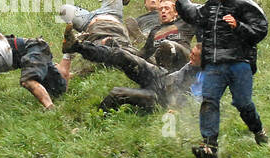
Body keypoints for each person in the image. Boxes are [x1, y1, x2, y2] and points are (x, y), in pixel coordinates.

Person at [175, 0, 269, 158]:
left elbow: (260, 30)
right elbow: (195, 15)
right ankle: (209, 145)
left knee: (243, 104)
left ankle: (258, 130)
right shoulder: (210, 6)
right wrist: (181, 3)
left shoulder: (245, 5)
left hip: (239, 62)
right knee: (209, 101)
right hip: (214, 64)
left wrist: (238, 26)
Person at [62, 25, 202, 114]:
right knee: (121, 55)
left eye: (194, 56)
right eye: (192, 53)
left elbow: (196, 105)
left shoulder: (207, 76)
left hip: (161, 97)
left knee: (117, 94)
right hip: (161, 76)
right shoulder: (192, 64)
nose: (191, 57)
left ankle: (96, 122)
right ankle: (76, 46)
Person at [58, 0, 138, 52]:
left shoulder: (102, 48)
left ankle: (88, 14)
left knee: (64, 10)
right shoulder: (121, 43)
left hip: (88, 23)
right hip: (111, 13)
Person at [140, 0, 195, 69]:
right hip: (163, 65)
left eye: (167, 8)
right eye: (160, 9)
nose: (163, 11)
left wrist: (184, 4)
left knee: (166, 44)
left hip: (183, 61)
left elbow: (201, 14)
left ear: (175, 12)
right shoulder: (155, 31)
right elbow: (144, 53)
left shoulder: (184, 22)